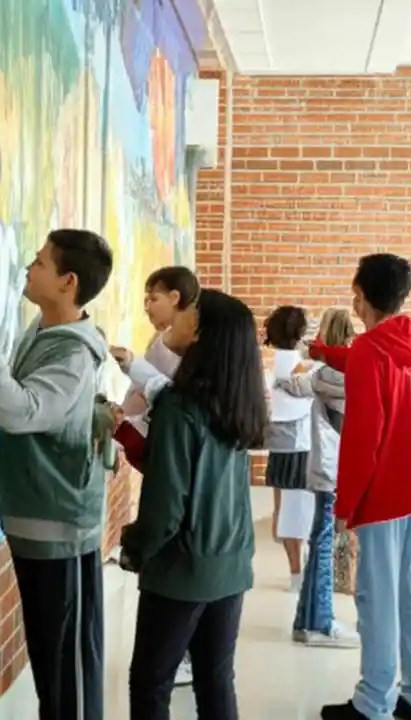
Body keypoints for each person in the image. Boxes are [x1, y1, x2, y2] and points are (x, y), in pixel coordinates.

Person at [0, 228, 113, 720]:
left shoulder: (71, 352)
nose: (29, 267)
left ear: (68, 281)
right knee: (49, 660)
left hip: (60, 526)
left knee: (66, 672)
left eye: (40, 262)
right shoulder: (40, 331)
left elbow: (22, 410)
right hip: (34, 519)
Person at [120, 289, 266, 720]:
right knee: (215, 678)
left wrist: (136, 546)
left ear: (200, 331)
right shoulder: (234, 401)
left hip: (182, 569)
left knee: (150, 682)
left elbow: (167, 507)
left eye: (186, 311)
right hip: (231, 562)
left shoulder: (182, 408)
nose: (174, 317)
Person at [313, 253, 411, 720]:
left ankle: (373, 702)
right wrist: (325, 354)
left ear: (360, 294)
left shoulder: (371, 350)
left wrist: (346, 503)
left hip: (382, 492)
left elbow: (363, 435)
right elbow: (368, 362)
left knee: (376, 598)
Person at [109, 265, 201, 686]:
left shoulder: (178, 355)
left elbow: (159, 398)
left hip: (159, 455)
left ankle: (177, 656)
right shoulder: (159, 343)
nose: (147, 306)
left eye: (154, 297)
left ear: (178, 301)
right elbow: (143, 396)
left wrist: (122, 426)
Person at [276, 307, 360, 648]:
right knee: (324, 544)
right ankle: (319, 622)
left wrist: (284, 372)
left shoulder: (324, 374)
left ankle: (307, 620)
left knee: (320, 542)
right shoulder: (347, 374)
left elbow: (295, 385)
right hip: (339, 471)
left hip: (327, 469)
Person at [264, 305, 316, 593]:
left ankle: (296, 572)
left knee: (285, 511)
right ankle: (298, 574)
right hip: (298, 445)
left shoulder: (282, 361)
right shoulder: (295, 364)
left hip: (283, 444)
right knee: (295, 514)